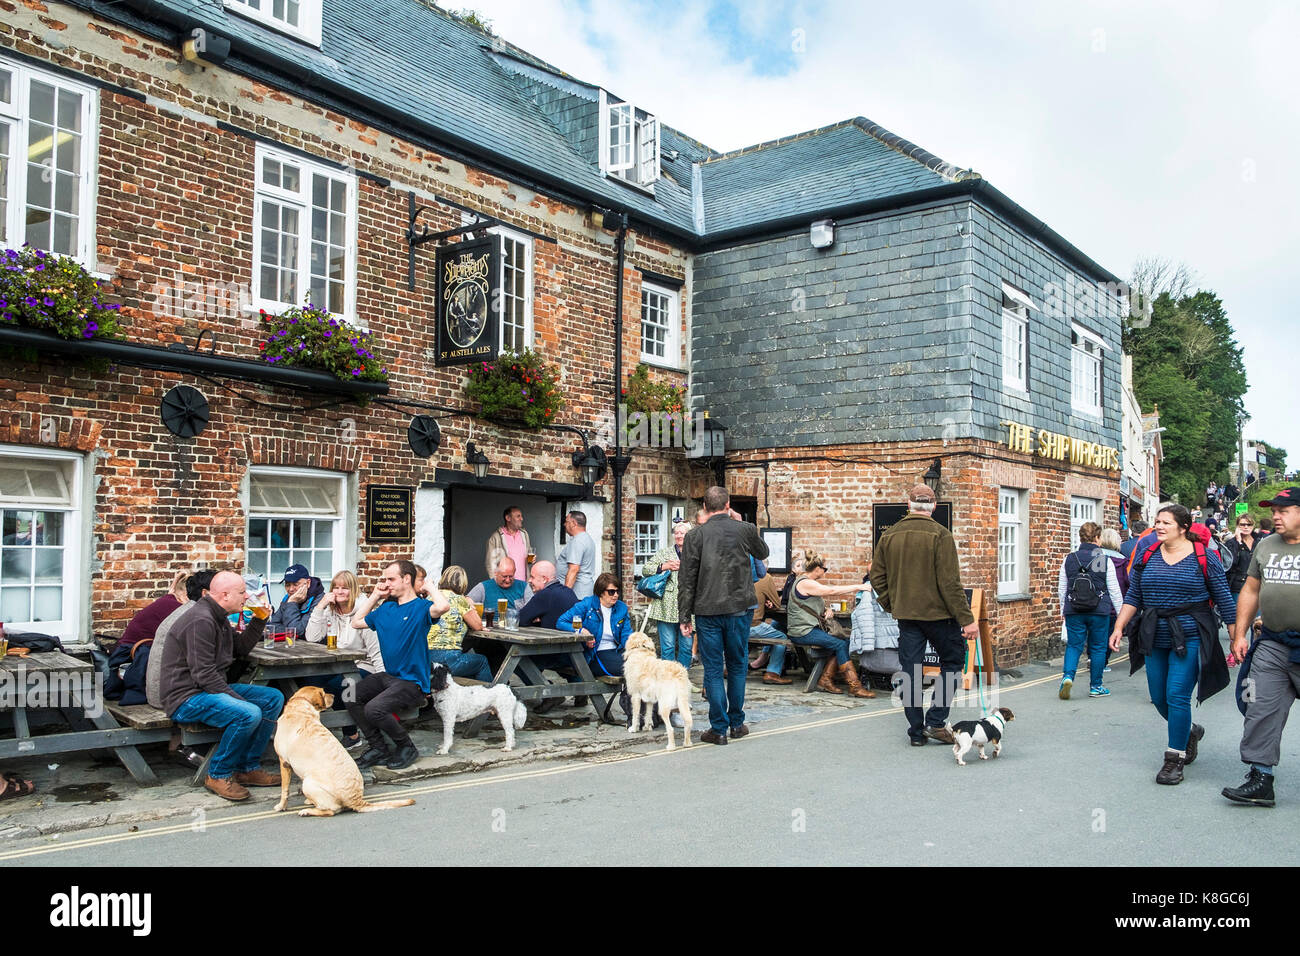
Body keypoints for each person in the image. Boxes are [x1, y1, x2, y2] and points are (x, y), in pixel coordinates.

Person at [1110, 503, 1236, 785]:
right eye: (1157, 521)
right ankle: (1189, 730)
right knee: (1158, 696)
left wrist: (1236, 636)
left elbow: (1225, 598)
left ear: (1183, 527)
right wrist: (1119, 626)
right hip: (1154, 633)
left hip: (1190, 633)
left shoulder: (1204, 556)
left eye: (1166, 522)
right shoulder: (1148, 553)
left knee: (1177, 695)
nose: (1159, 526)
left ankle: (1174, 759)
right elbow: (1134, 595)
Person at [158, 570, 284, 802]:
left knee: (272, 698)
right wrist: (240, 701)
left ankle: (247, 768)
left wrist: (259, 620)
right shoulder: (201, 620)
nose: (247, 597)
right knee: (249, 713)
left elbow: (240, 649)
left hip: (205, 690)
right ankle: (218, 774)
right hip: (185, 698)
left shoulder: (219, 616)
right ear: (225, 595)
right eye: (242, 592)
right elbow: (203, 675)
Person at [870, 483, 977, 747]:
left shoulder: (890, 535)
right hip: (940, 616)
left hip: (907, 616)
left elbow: (876, 577)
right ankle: (936, 722)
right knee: (953, 663)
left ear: (908, 505)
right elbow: (950, 583)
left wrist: (892, 603)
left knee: (910, 672)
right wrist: (967, 619)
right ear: (934, 507)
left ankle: (916, 731)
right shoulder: (941, 535)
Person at [1223, 487, 1300, 806]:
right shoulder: (1267, 545)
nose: (1276, 516)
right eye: (1274, 510)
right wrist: (1239, 634)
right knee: (1261, 708)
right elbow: (1251, 590)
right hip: (1273, 641)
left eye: (1283, 510)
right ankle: (1261, 778)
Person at [677, 486, 769, 745]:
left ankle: (718, 729)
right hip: (739, 609)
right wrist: (743, 522)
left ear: (705, 507)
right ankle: (737, 724)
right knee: (738, 666)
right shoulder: (744, 529)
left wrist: (684, 617)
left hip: (707, 611)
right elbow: (763, 552)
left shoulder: (696, 535)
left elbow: (686, 579)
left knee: (714, 669)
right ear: (728, 504)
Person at [347, 561, 451, 771]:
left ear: (406, 579)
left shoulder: (421, 608)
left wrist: (430, 587)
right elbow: (356, 622)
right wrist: (375, 595)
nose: (387, 583)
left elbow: (443, 606)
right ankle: (379, 748)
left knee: (374, 708)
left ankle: (407, 747)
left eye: (391, 579)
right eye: (385, 579)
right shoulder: (386, 608)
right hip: (389, 677)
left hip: (412, 683)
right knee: (349, 695)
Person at [304, 570, 385, 749]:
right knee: (309, 682)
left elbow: (377, 651)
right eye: (336, 587)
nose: (340, 592)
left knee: (340, 686)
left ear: (354, 590)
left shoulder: (365, 614)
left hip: (365, 665)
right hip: (339, 664)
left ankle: (352, 735)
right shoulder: (331, 610)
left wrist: (384, 682)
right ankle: (311, 729)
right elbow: (312, 637)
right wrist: (320, 606)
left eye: (345, 588)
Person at [787, 553, 874, 697]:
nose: (824, 572)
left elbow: (812, 603)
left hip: (809, 630)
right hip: (802, 632)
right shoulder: (805, 582)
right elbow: (831, 591)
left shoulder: (805, 582)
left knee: (844, 642)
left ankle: (826, 680)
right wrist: (860, 586)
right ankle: (855, 687)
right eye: (824, 569)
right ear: (817, 568)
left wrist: (827, 609)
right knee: (840, 644)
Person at [1058, 522, 1123, 699]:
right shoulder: (1104, 560)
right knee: (1098, 648)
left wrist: (1064, 610)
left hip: (1074, 609)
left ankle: (1067, 677)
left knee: (1073, 645)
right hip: (1099, 610)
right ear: (1097, 538)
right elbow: (1115, 591)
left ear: (1081, 538)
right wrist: (1120, 618)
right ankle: (1096, 686)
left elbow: (1062, 588)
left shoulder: (1069, 559)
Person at [556, 572, 633, 678]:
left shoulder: (621, 608)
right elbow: (561, 622)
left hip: (617, 650)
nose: (616, 595)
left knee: (641, 666)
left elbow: (626, 635)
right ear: (601, 592)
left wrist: (634, 650)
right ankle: (628, 694)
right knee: (628, 670)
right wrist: (581, 631)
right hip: (594, 652)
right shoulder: (587, 605)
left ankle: (627, 694)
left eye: (617, 591)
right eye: (611, 592)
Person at [425, 565, 492, 682]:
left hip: (426, 658)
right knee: (481, 661)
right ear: (463, 584)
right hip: (447, 660)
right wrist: (470, 606)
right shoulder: (459, 599)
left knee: (470, 666)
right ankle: (487, 697)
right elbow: (478, 626)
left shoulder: (432, 597)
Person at [641, 520, 692, 670]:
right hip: (666, 605)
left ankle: (682, 678)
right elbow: (646, 569)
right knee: (668, 647)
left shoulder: (696, 553)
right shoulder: (665, 553)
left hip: (689, 605)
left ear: (689, 535)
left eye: (682, 533)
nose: (679, 535)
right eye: (676, 533)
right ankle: (667, 679)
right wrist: (665, 566)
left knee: (687, 646)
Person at [116, 571, 189, 650]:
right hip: (134, 654)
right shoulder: (175, 606)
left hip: (128, 648)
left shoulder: (169, 599)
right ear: (185, 593)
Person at [749, 569, 791, 685]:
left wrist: (762, 601)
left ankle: (729, 669)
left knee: (775, 626)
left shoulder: (736, 573)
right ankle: (772, 673)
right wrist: (768, 603)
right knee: (781, 638)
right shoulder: (765, 577)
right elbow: (777, 604)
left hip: (732, 624)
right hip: (752, 625)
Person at [266, 563, 324, 638]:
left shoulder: (320, 600)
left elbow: (298, 632)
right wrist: (289, 631)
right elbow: (271, 626)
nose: (291, 589)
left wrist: (292, 602)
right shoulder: (289, 597)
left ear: (308, 583)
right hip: (289, 646)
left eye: (296, 584)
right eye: (287, 585)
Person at [517, 560, 578, 630]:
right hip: (573, 639)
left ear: (544, 579)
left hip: (554, 640)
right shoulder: (569, 591)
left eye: (532, 577)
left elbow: (520, 619)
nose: (529, 580)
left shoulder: (545, 595)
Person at [557, 511, 597, 599]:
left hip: (577, 594)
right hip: (584, 592)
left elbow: (574, 569)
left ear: (574, 523)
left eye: (567, 521)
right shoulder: (587, 539)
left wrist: (565, 595)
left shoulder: (577, 541)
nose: (564, 524)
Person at [486, 506, 531, 581]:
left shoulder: (524, 534)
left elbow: (529, 557)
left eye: (521, 516)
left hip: (523, 584)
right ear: (508, 518)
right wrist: (496, 583)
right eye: (518, 516)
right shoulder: (496, 538)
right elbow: (490, 564)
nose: (521, 519)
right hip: (506, 584)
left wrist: (530, 560)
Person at [1221, 513, 1257, 599]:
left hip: (1256, 586)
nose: (1246, 527)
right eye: (1242, 524)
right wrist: (1239, 542)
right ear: (1237, 526)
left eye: (1249, 524)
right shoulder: (1231, 543)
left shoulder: (1258, 542)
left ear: (1253, 526)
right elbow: (1231, 563)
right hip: (1237, 587)